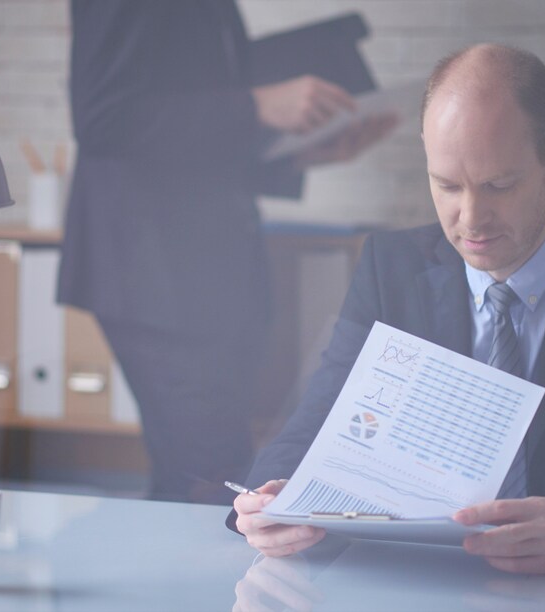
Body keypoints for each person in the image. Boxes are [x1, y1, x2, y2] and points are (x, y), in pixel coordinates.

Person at [231, 43, 545, 573]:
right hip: (411, 582)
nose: (471, 219)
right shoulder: (389, 267)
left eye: (498, 185)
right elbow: (308, 433)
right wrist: (272, 501)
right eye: (446, 185)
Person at [58, 1, 395, 503]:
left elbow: (197, 149)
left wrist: (305, 152)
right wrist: (257, 105)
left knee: (195, 474)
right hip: (153, 278)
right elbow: (103, 115)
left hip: (214, 275)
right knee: (213, 479)